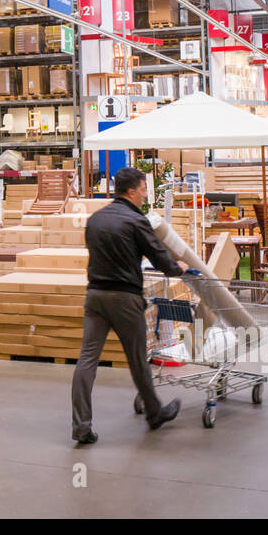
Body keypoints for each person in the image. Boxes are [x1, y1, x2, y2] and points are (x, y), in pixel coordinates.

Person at [71, 167, 183, 444]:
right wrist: (177, 268)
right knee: (136, 359)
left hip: (95, 295)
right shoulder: (136, 221)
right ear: (131, 191)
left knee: (86, 361)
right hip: (124, 298)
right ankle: (155, 413)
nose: (146, 195)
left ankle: (81, 426)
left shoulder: (95, 220)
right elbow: (159, 257)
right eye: (144, 189)